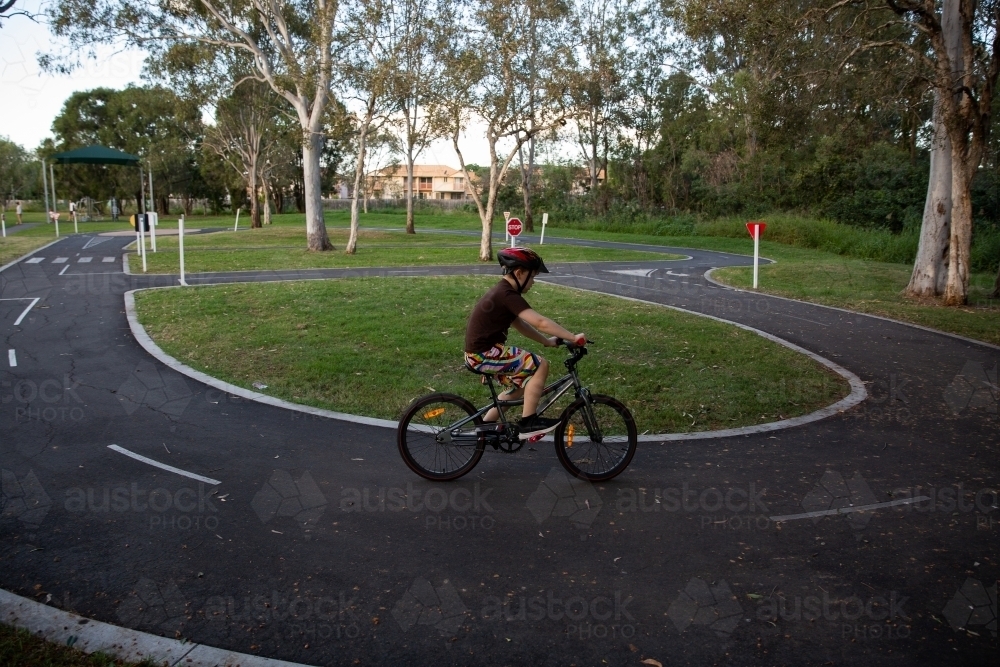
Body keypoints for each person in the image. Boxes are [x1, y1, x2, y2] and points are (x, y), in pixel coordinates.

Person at [464, 247, 586, 440]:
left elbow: (520, 325)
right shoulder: (507, 295)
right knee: (540, 364)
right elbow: (540, 322)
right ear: (519, 273)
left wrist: (546, 341)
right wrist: (573, 337)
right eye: (532, 276)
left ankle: (486, 426)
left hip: (482, 353)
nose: (534, 282)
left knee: (521, 383)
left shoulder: (504, 292)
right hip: (484, 353)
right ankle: (528, 422)